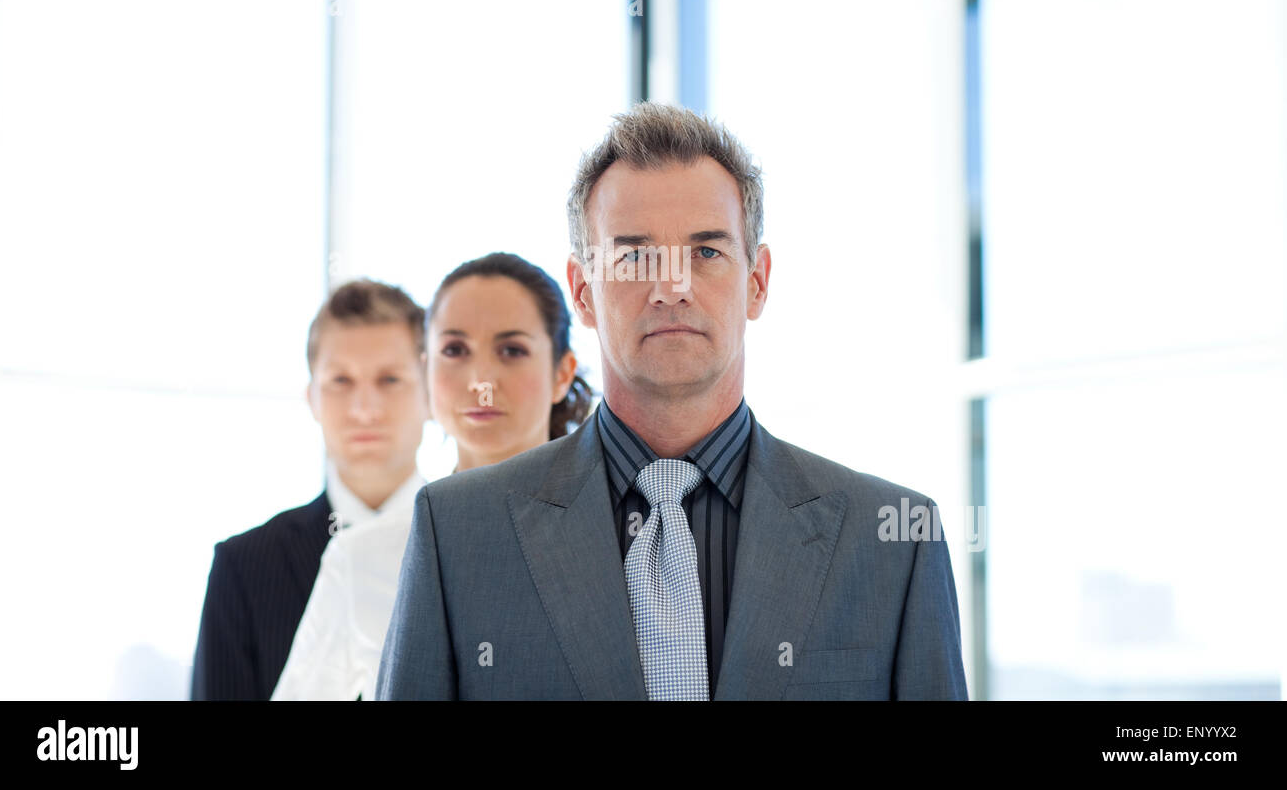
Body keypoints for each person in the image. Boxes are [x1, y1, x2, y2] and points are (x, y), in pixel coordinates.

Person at [377, 103, 968, 700]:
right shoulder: (457, 532)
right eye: (634, 257)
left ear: (757, 282)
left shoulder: (892, 543)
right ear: (583, 291)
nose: (671, 287)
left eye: (706, 252)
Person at [272, 253, 591, 700]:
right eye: (455, 350)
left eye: (511, 350)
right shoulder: (361, 558)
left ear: (562, 373)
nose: (481, 379)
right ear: (426, 370)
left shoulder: (615, 539)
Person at [190, 279, 430, 700]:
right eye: (341, 381)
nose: (365, 409)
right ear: (312, 398)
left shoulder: (472, 545)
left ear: (431, 393)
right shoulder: (244, 566)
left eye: (390, 379)